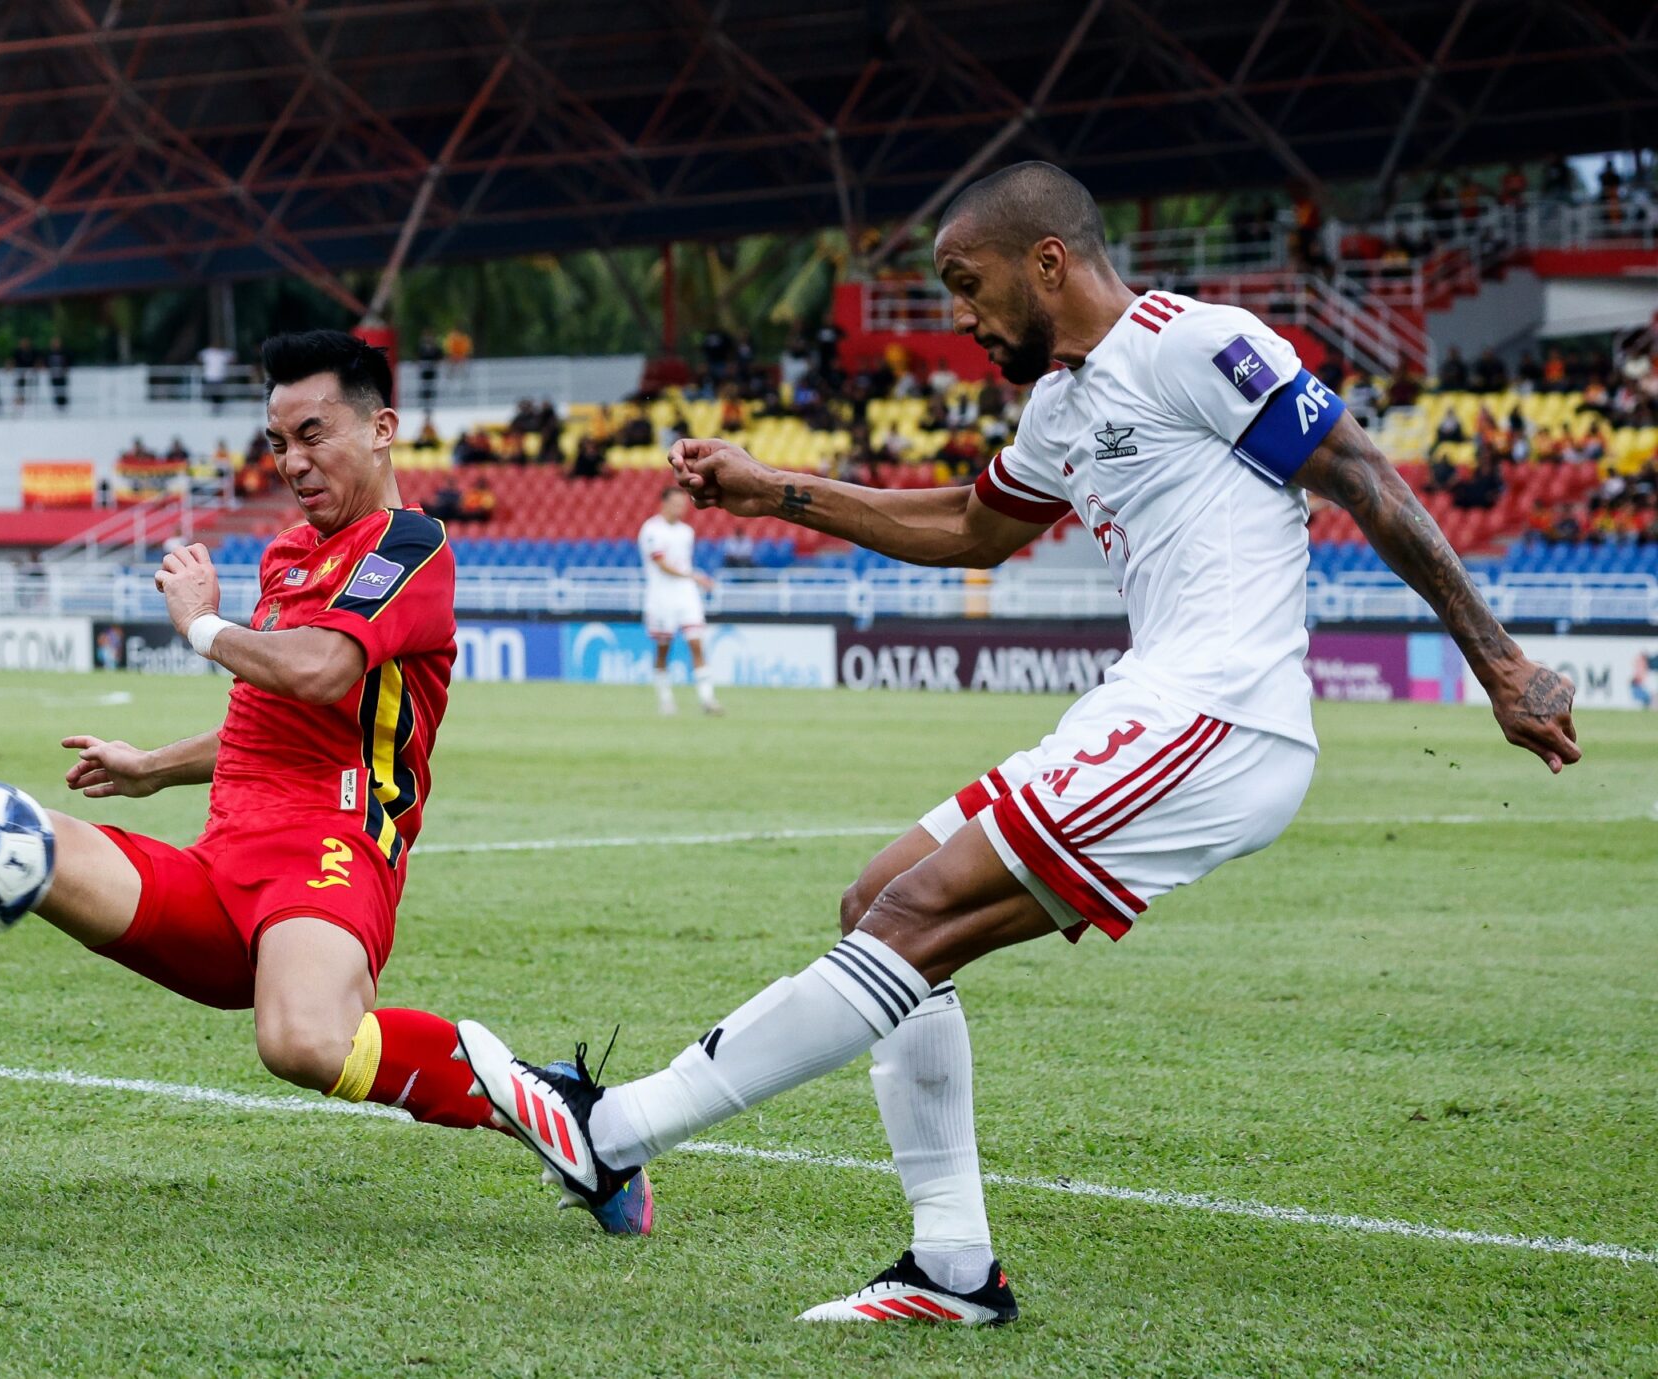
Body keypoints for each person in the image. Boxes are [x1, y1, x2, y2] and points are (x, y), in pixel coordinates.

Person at [450, 160, 1579, 1322]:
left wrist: (1496, 660)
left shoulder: (1193, 342)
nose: (958, 315)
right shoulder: (1059, 405)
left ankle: (611, 1129)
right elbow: (970, 525)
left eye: (964, 283)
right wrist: (770, 488)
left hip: (1216, 715)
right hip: (1142, 703)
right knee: (876, 899)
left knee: (910, 916)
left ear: (1046, 260)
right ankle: (950, 1267)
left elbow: (1357, 472)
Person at [0, 330, 653, 1237]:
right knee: (27, 842)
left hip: (331, 853)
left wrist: (200, 626)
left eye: (313, 433)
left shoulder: (411, 548)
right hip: (223, 858)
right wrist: (150, 767)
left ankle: (546, 1103)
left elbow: (321, 672)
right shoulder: (286, 555)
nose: (293, 459)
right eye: (278, 441)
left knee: (305, 1043)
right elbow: (269, 717)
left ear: (381, 428)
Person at [636, 487, 720, 717]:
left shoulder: (686, 532)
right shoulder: (651, 530)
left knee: (697, 643)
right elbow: (661, 563)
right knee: (664, 649)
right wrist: (693, 576)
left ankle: (707, 699)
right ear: (663, 503)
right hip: (662, 596)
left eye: (682, 504)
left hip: (686, 594)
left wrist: (691, 579)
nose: (680, 508)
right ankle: (665, 699)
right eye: (675, 503)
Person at [198, 341, 234, 414]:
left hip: (220, 378)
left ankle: (218, 409)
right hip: (210, 377)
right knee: (211, 394)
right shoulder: (207, 352)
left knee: (219, 395)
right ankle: (213, 409)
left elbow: (233, 358)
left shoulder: (223, 353)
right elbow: (199, 358)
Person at [46, 336, 71, 411]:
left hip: (62, 376)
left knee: (63, 391)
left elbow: (68, 362)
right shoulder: (49, 353)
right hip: (53, 376)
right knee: (55, 392)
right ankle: (57, 408)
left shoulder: (64, 352)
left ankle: (64, 408)